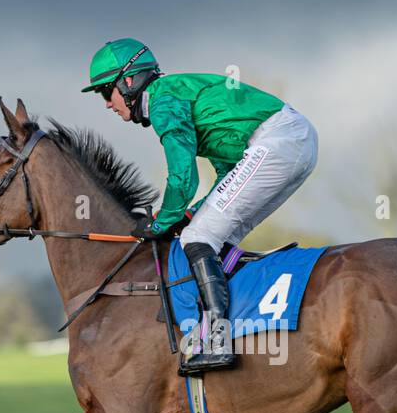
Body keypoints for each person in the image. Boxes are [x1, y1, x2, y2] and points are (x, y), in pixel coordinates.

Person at [82, 38, 318, 375]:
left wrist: (162, 222)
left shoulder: (162, 99)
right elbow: (229, 172)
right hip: (291, 143)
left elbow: (182, 177)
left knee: (198, 236)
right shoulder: (174, 95)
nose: (107, 104)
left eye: (107, 92)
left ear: (128, 81)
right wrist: (189, 212)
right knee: (213, 231)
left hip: (279, 141)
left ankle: (215, 338)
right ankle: (237, 320)